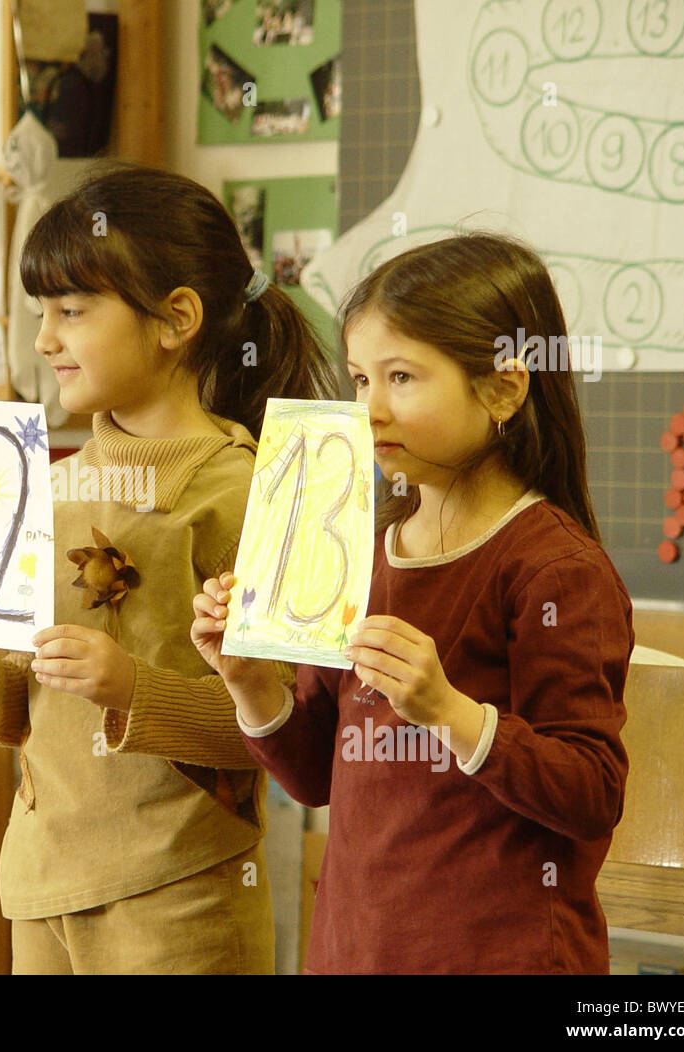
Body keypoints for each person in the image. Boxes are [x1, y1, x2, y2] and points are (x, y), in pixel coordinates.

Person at [0, 164, 338, 974]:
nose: (43, 339)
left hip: (179, 891)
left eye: (71, 310)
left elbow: (287, 733)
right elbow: (36, 702)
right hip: (39, 881)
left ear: (176, 318)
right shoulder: (45, 482)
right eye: (42, 312)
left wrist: (133, 688)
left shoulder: (249, 488)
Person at [192, 233, 633, 974]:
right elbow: (313, 776)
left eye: (402, 377)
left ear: (503, 389)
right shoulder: (361, 550)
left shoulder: (554, 568)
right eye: (361, 380)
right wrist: (245, 679)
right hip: (357, 948)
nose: (370, 409)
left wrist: (450, 711)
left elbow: (592, 790)